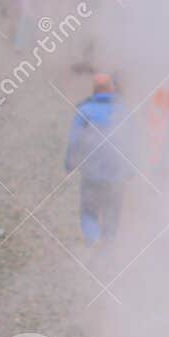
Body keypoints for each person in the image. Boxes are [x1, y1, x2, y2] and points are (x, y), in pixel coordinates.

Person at [65, 74, 131, 244]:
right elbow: (133, 140)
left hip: (91, 172)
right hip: (116, 172)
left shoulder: (85, 111)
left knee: (89, 209)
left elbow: (75, 140)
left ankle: (92, 238)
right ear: (112, 89)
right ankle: (107, 245)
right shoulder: (123, 111)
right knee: (113, 208)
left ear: (94, 89)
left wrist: (70, 162)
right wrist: (132, 167)